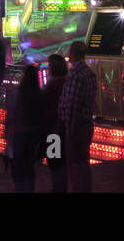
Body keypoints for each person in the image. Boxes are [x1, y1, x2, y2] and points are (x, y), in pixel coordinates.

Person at [58, 41, 98, 192]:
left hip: (76, 127)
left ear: (72, 54)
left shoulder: (75, 75)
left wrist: (69, 128)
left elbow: (72, 105)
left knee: (74, 168)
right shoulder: (90, 73)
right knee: (84, 166)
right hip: (87, 125)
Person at [10, 64, 44, 192]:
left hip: (20, 132)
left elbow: (12, 113)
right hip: (34, 134)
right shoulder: (40, 94)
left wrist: (8, 133)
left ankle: (20, 189)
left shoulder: (18, 92)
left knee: (18, 166)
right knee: (30, 167)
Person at [42, 55, 69, 192]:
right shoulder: (66, 82)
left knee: (55, 162)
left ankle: (58, 188)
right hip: (63, 128)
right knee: (61, 162)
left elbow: (46, 106)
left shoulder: (53, 85)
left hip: (53, 129)